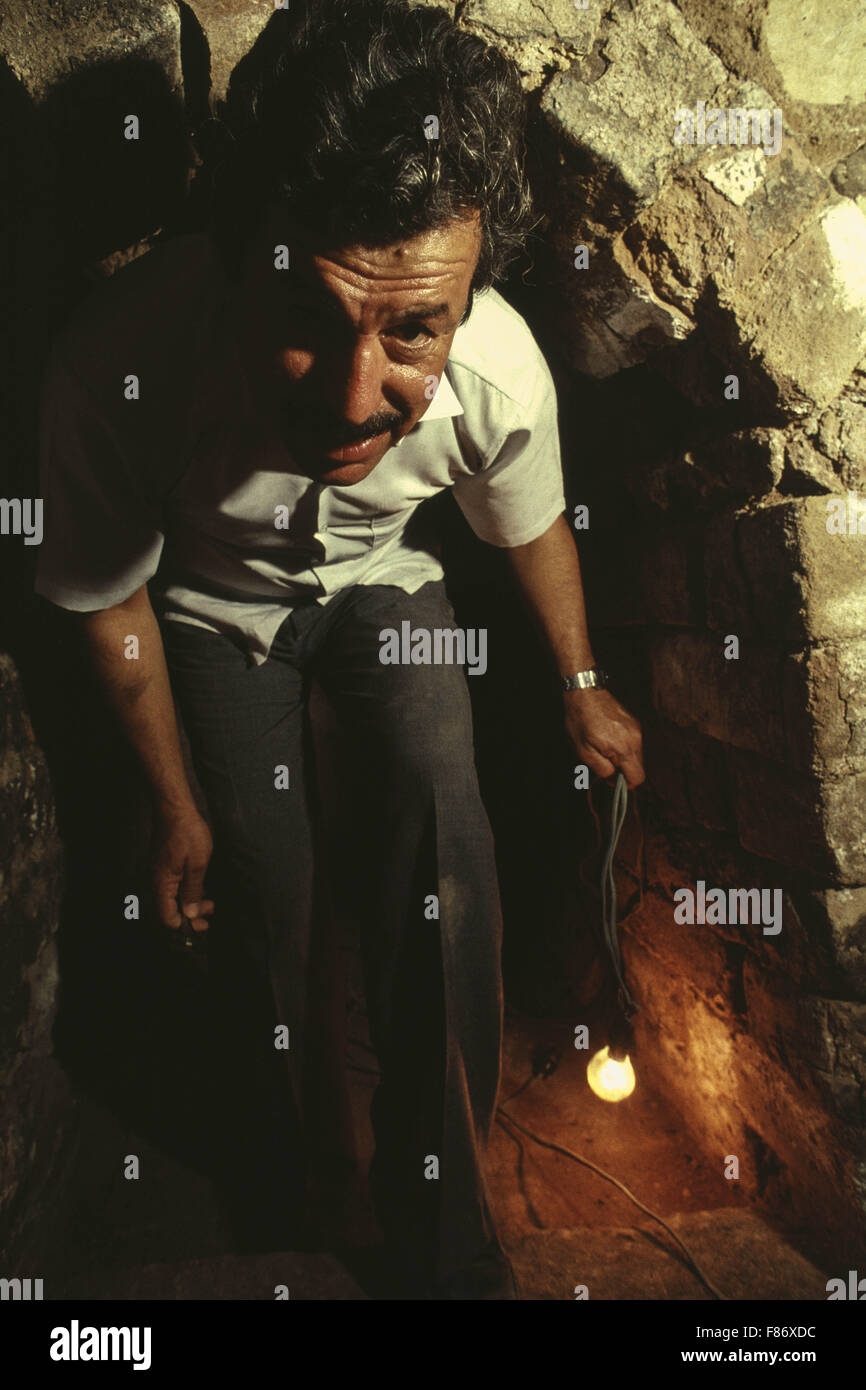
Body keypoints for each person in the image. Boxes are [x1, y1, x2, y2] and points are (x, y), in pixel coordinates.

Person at [34, 0, 645, 1299]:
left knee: (442, 807)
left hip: (384, 585)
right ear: (239, 249)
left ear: (465, 295)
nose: (353, 395)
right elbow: (105, 599)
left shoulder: (501, 375)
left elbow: (529, 529)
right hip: (209, 611)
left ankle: (441, 1223)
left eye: (413, 329)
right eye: (310, 314)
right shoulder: (119, 363)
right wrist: (175, 809)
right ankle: (293, 1164)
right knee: (265, 887)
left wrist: (583, 691)